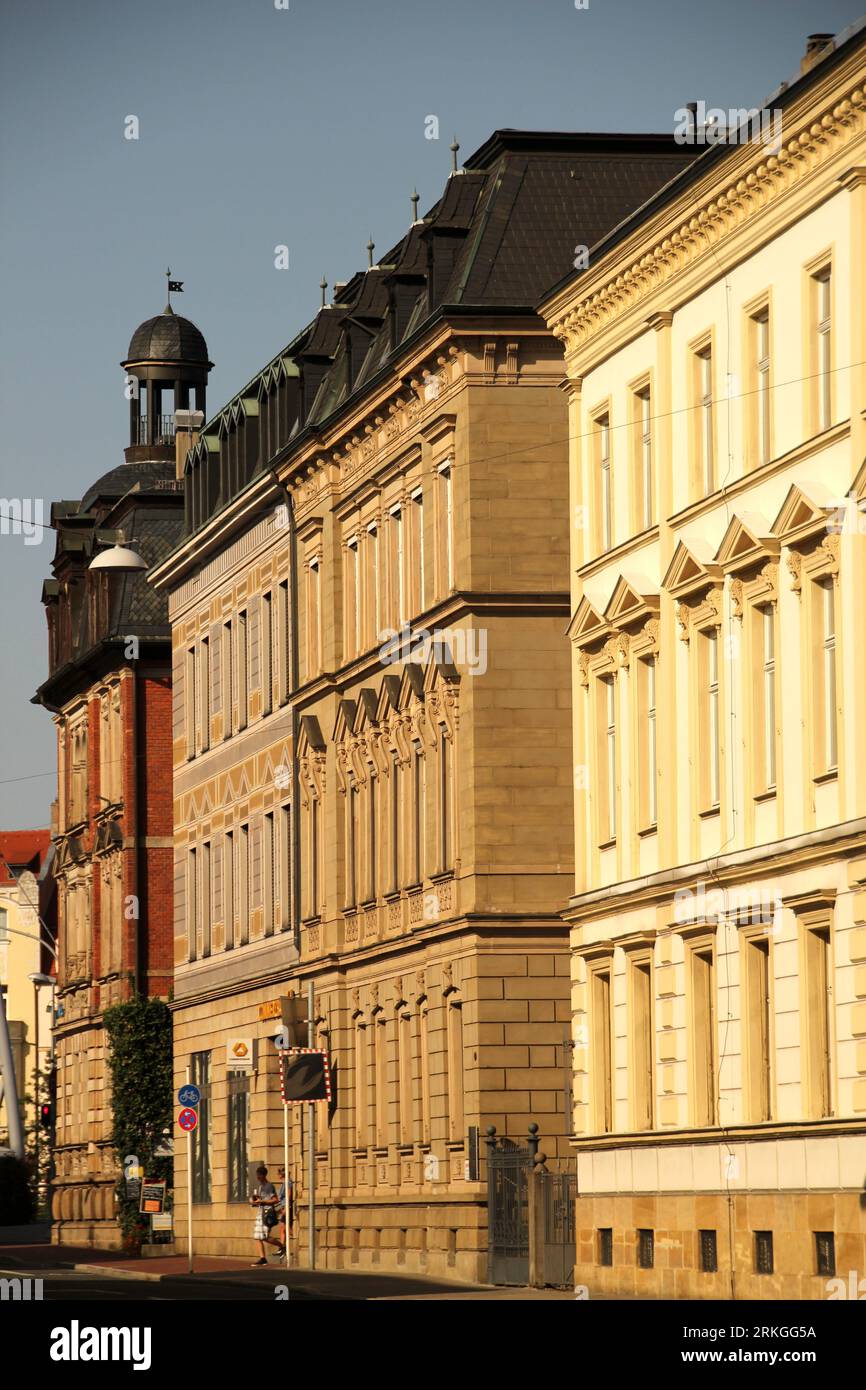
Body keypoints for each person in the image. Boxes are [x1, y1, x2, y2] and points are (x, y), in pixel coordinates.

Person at [249, 1164, 280, 1265]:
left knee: (264, 1236)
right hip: (260, 1212)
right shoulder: (260, 1187)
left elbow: (275, 1200)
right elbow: (261, 1200)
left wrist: (262, 1201)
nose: (258, 1177)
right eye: (257, 1175)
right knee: (257, 1236)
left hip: (267, 1213)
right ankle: (262, 1258)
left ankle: (282, 1246)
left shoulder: (269, 1186)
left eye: (259, 1175)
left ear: (264, 1175)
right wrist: (255, 1201)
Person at [275, 1165, 293, 1258]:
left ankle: (293, 1242)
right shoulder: (284, 1183)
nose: (278, 1175)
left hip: (286, 1207)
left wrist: (286, 1207)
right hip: (283, 1206)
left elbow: (288, 1195)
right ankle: (282, 1248)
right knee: (282, 1228)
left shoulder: (287, 1182)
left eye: (279, 1173)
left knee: (287, 1228)